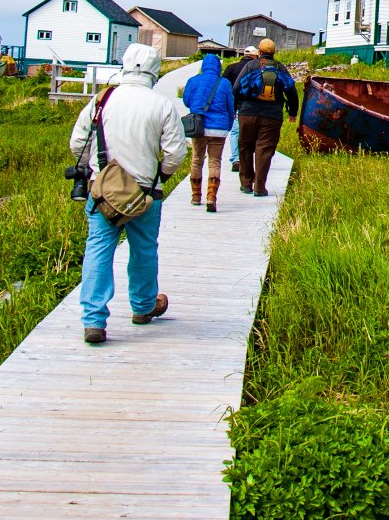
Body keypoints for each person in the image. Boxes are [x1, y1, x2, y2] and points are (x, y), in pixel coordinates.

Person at [69, 42, 187, 344]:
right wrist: (160, 175)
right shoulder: (161, 105)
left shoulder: (101, 99)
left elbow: (77, 144)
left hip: (103, 193)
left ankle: (93, 320)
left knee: (98, 250)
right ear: (154, 71)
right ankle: (143, 306)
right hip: (145, 193)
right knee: (144, 248)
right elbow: (175, 153)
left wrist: (96, 170)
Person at [233, 38, 297, 198]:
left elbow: (236, 88)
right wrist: (293, 113)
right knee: (265, 149)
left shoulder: (250, 65)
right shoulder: (280, 68)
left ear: (259, 52)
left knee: (245, 146)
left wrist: (234, 109)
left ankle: (246, 183)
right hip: (272, 115)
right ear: (274, 53)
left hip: (247, 113)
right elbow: (291, 91)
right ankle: (259, 187)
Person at [178, 51, 235, 211]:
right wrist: (228, 125)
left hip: (199, 127)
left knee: (197, 160)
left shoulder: (194, 81)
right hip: (219, 129)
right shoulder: (224, 83)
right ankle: (211, 197)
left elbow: (187, 101)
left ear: (203, 66)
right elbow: (230, 106)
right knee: (214, 162)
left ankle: (196, 197)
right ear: (218, 67)